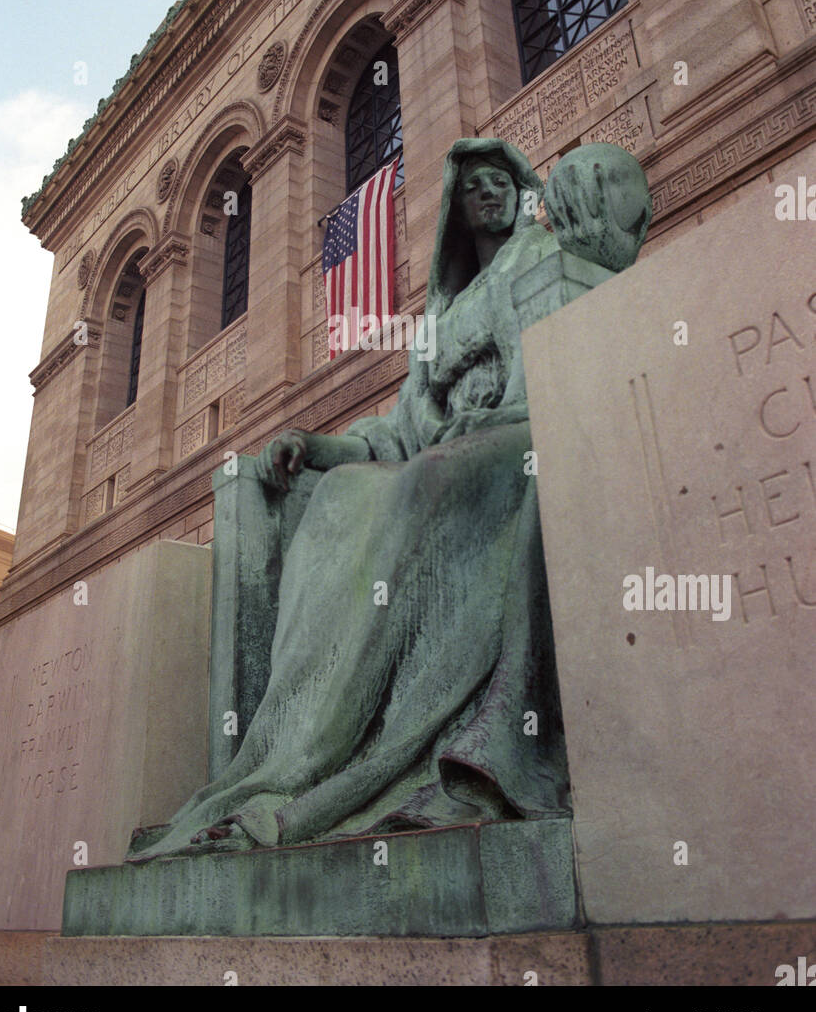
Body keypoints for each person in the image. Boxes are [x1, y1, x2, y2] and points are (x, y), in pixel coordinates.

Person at [128, 136, 649, 860]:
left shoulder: (541, 258)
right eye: (474, 190)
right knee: (342, 494)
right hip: (448, 454)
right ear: (457, 212)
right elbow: (396, 431)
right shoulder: (441, 319)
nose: (489, 195)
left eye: (501, 182)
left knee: (427, 482)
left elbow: (584, 336)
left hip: (527, 439)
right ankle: (298, 752)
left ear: (522, 191)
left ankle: (389, 755)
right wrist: (318, 445)